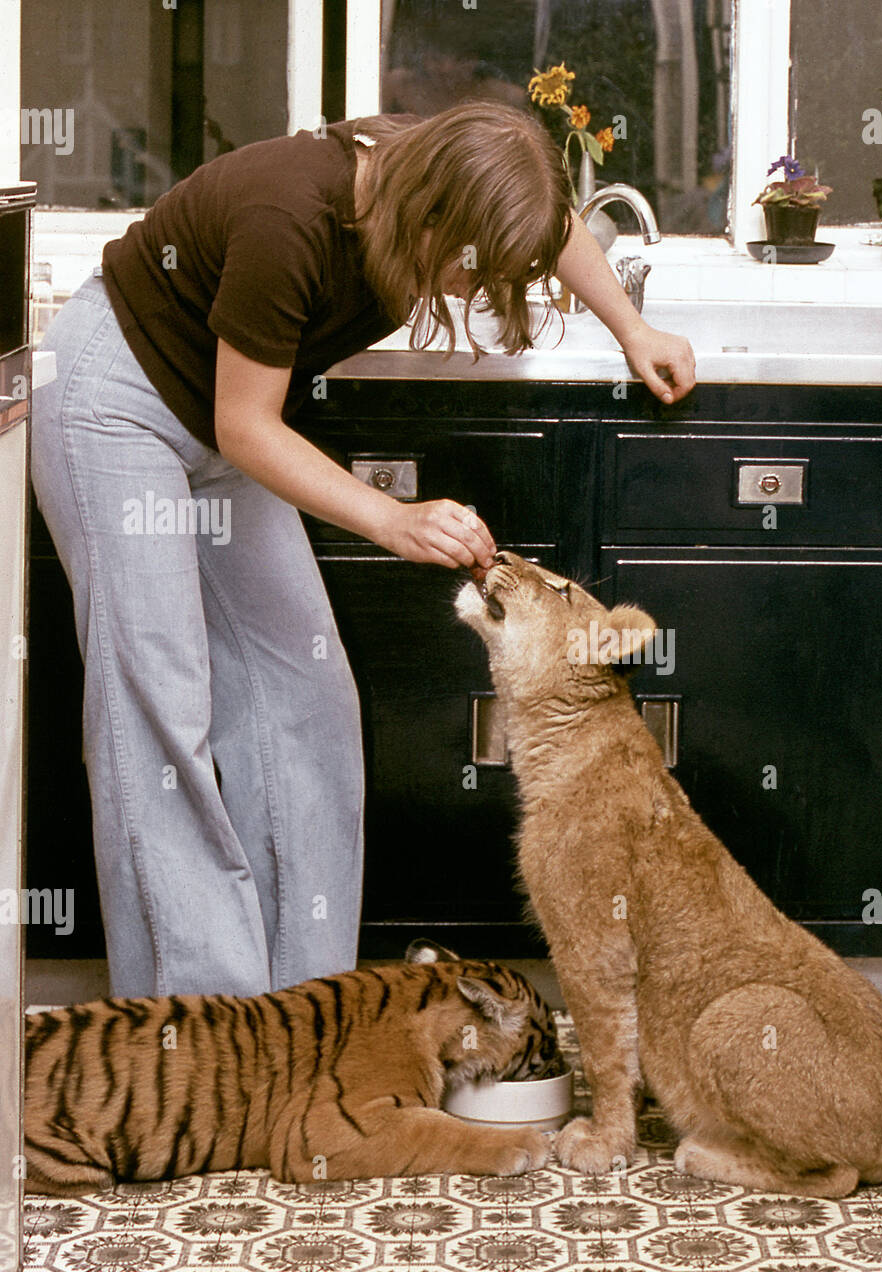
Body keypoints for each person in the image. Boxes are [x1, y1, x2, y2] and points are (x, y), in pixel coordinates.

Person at [31, 102, 696, 1000]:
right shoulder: (289, 218)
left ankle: (307, 1011)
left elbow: (550, 221)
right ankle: (201, 1026)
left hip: (228, 422)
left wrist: (633, 328)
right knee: (161, 704)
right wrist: (394, 521)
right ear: (430, 222)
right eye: (473, 270)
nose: (473, 291)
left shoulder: (444, 167)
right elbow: (246, 425)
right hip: (119, 402)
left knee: (307, 696)